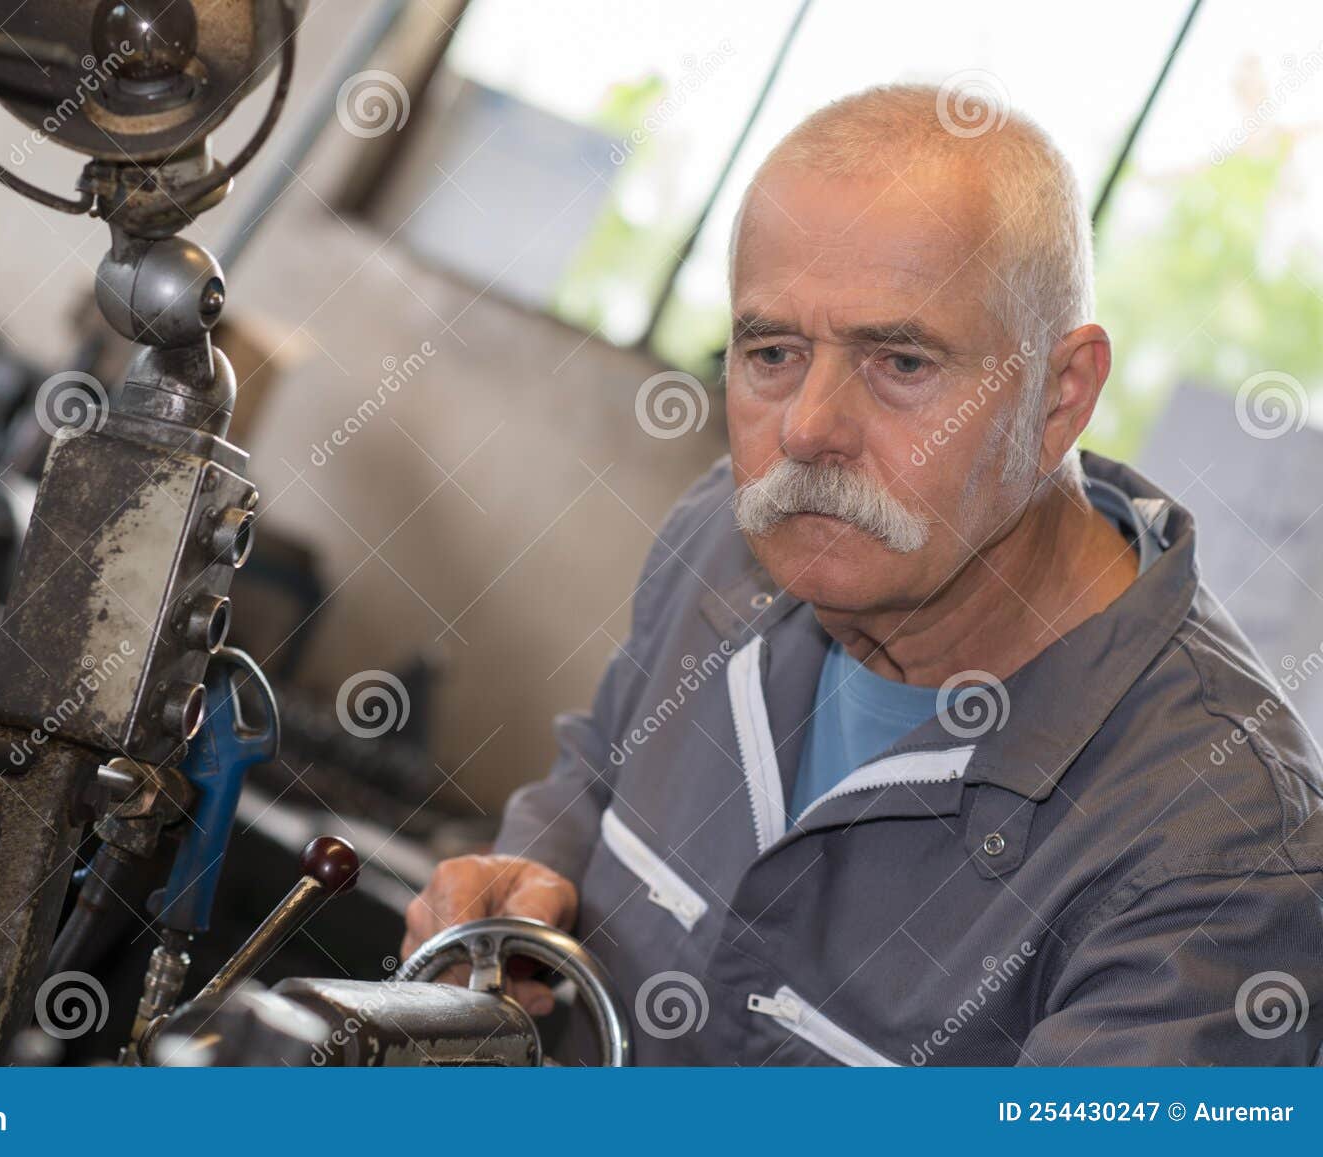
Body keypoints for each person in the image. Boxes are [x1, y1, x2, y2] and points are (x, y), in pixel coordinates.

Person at [403, 83, 1323, 1065]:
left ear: (1061, 396)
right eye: (772, 351)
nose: (807, 428)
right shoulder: (723, 542)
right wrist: (522, 889)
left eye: (901, 363)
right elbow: (598, 778)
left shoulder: (1223, 852)